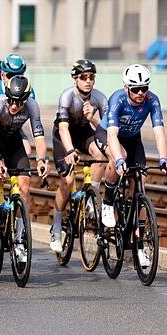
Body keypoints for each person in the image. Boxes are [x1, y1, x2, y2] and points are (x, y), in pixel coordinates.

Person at [97, 65, 167, 257]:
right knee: (117, 157)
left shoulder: (152, 100)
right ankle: (107, 202)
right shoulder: (117, 99)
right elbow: (112, 135)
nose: (140, 93)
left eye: (144, 88)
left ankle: (137, 241)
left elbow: (159, 132)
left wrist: (164, 158)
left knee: (141, 182)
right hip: (108, 135)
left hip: (133, 139)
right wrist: (120, 160)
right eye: (136, 89)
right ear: (126, 87)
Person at [0, 76, 49, 263]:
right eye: (11, 100)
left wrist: (42, 160)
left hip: (13, 141)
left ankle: (19, 240)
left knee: (24, 185)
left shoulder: (32, 106)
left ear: (26, 99)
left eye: (18, 102)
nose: (14, 105)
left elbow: (39, 138)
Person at [49, 59, 108, 254]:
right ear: (75, 79)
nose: (88, 81)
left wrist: (93, 118)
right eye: (83, 77)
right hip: (63, 135)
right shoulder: (67, 96)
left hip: (83, 132)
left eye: (91, 77)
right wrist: (69, 151)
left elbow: (106, 128)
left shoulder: (99, 98)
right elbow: (64, 128)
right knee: (68, 180)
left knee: (99, 156)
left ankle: (91, 198)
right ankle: (56, 227)